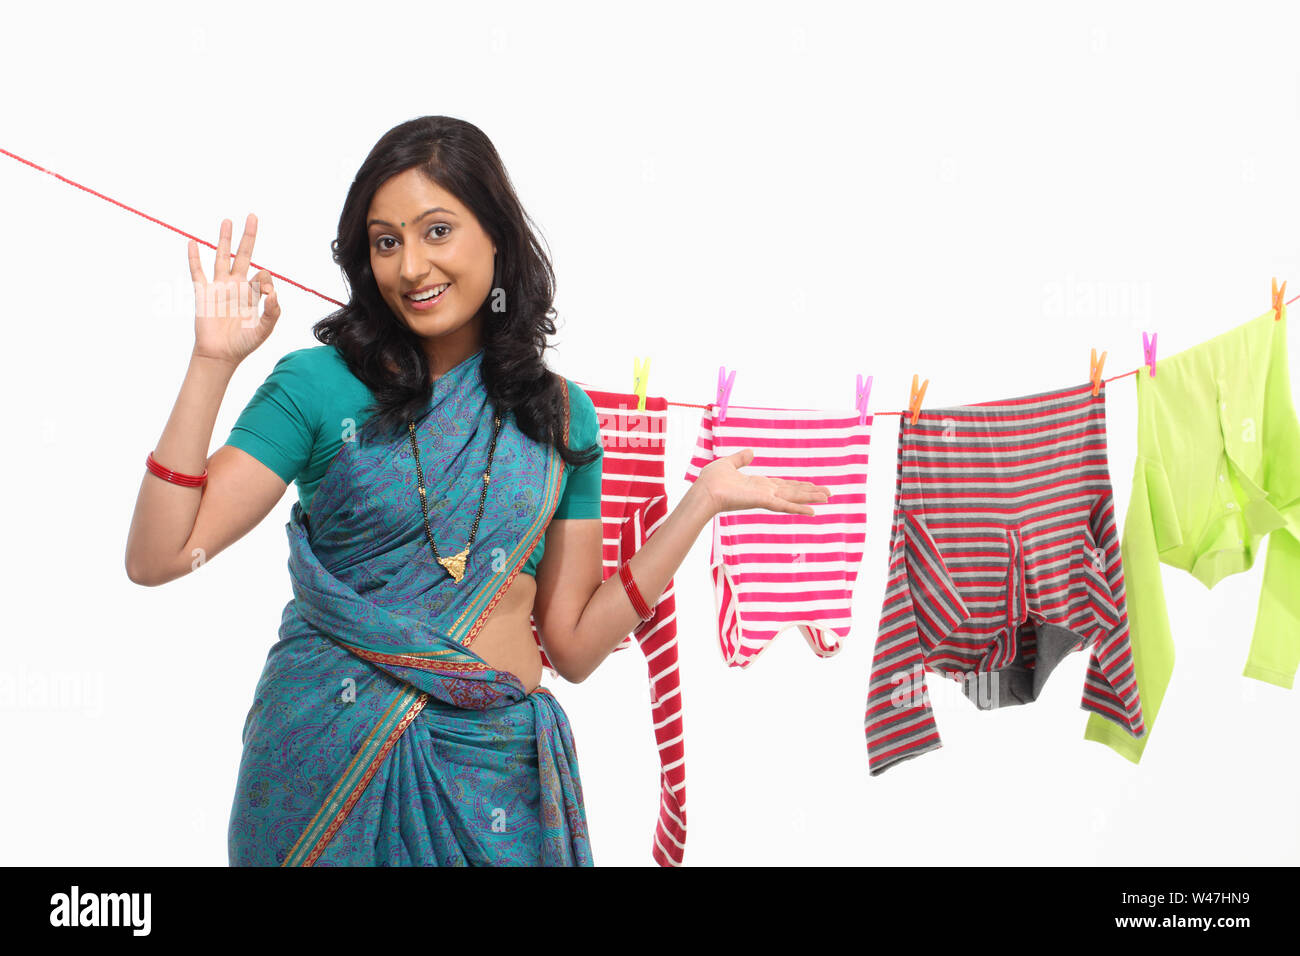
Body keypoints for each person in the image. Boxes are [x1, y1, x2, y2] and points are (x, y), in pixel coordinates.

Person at [124, 115, 831, 866]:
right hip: (324, 767)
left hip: (494, 782)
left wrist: (700, 503)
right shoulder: (318, 386)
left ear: (496, 234)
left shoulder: (560, 415)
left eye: (437, 231)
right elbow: (159, 555)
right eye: (386, 242)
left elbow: (574, 646)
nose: (411, 267)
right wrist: (211, 362)